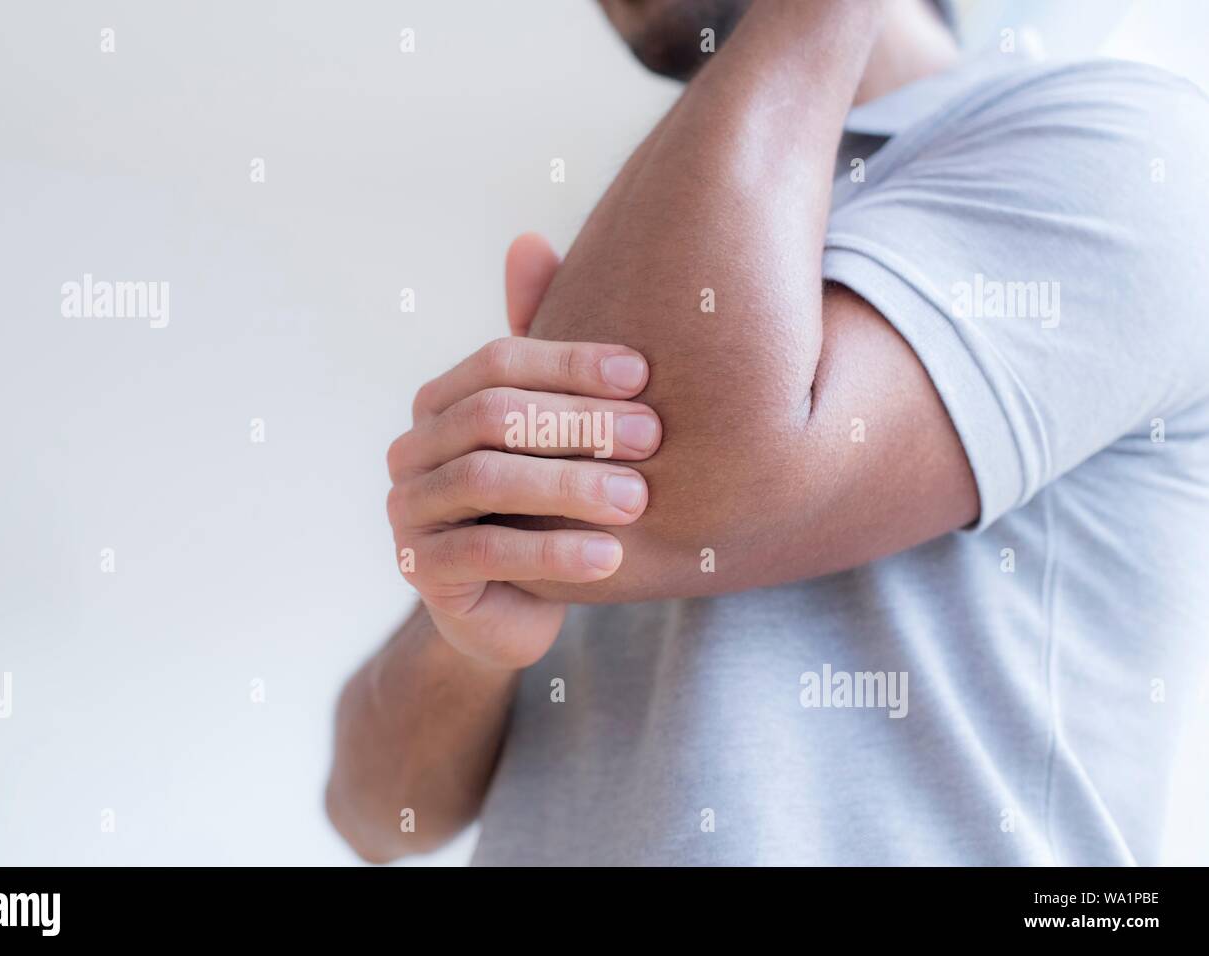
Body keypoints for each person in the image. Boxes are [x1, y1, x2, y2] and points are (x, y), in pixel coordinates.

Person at [328, 0, 1209, 865]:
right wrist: (473, 632)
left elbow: (679, 487)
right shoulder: (646, 245)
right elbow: (372, 814)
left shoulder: (1123, 145)